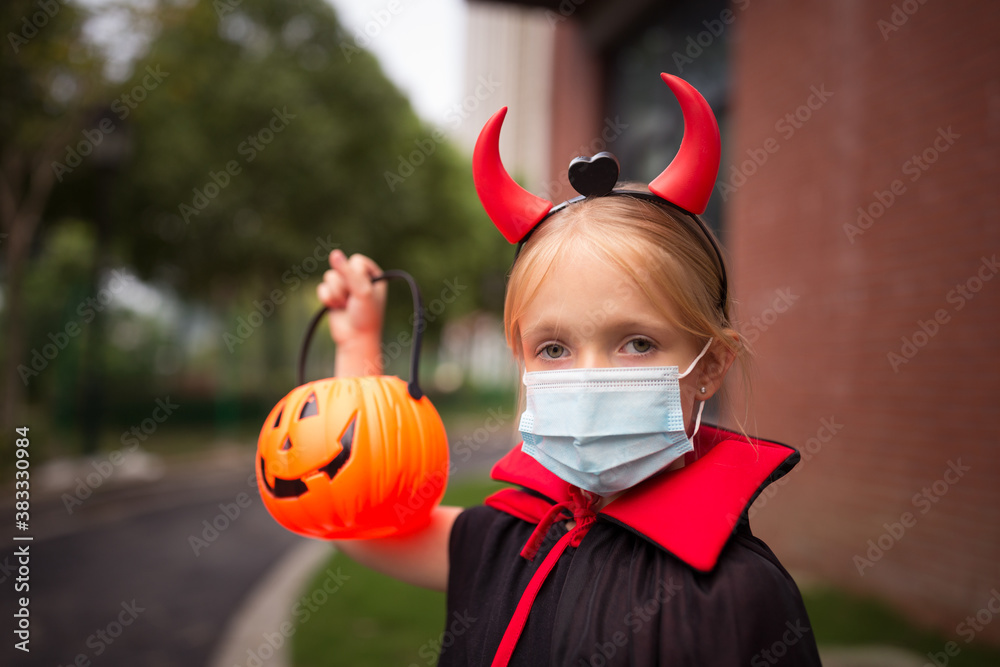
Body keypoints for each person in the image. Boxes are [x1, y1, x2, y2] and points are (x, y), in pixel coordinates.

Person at [316, 74, 822, 666]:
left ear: (709, 365)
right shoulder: (507, 537)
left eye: (635, 342)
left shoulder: (739, 598)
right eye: (553, 349)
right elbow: (356, 517)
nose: (589, 378)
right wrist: (357, 348)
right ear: (522, 359)